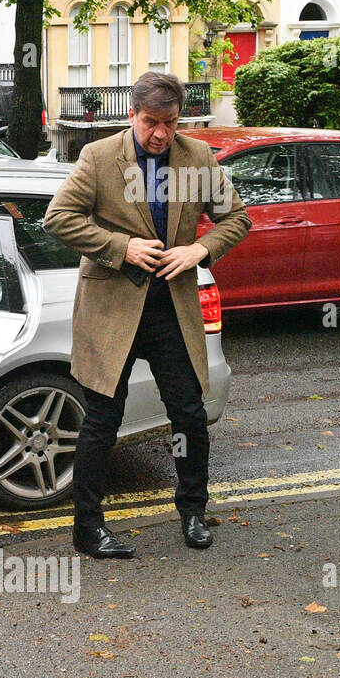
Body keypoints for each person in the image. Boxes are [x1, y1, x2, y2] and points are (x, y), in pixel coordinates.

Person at [43, 72, 251, 559]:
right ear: (132, 113)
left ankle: (194, 512)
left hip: (170, 307)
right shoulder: (97, 157)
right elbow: (58, 218)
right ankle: (88, 528)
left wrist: (199, 249)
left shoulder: (197, 157)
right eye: (152, 122)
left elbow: (236, 218)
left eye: (170, 122)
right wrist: (122, 246)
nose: (161, 133)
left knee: (189, 414)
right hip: (112, 306)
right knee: (101, 420)